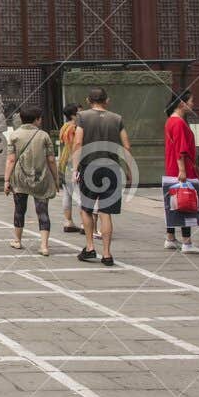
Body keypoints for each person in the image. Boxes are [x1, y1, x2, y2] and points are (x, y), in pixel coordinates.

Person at [71, 87, 131, 266]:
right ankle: (107, 253)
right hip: (112, 168)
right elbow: (126, 146)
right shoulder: (117, 118)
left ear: (88, 100)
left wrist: (75, 169)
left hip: (89, 167)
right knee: (106, 212)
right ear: (107, 100)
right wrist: (128, 169)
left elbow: (78, 142)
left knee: (86, 208)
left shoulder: (83, 117)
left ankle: (90, 247)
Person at [4, 105, 59, 256]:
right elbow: (51, 160)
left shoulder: (14, 136)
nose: (41, 120)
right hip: (41, 178)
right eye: (40, 118)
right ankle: (44, 245)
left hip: (20, 178)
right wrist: (56, 178)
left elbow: (10, 160)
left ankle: (17, 240)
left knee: (19, 209)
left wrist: (6, 181)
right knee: (42, 212)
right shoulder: (44, 136)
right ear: (36, 120)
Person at [162, 89, 199, 254]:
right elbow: (181, 149)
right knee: (186, 203)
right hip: (182, 168)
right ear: (182, 103)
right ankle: (187, 242)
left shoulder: (170, 121)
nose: (193, 104)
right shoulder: (179, 122)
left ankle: (170, 237)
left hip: (172, 166)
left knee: (174, 202)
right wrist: (183, 170)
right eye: (191, 101)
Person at [56, 102, 81, 233]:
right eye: (79, 112)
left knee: (67, 193)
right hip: (74, 161)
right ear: (73, 115)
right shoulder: (75, 128)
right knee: (81, 193)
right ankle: (84, 223)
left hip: (64, 161)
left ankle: (68, 221)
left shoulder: (64, 127)